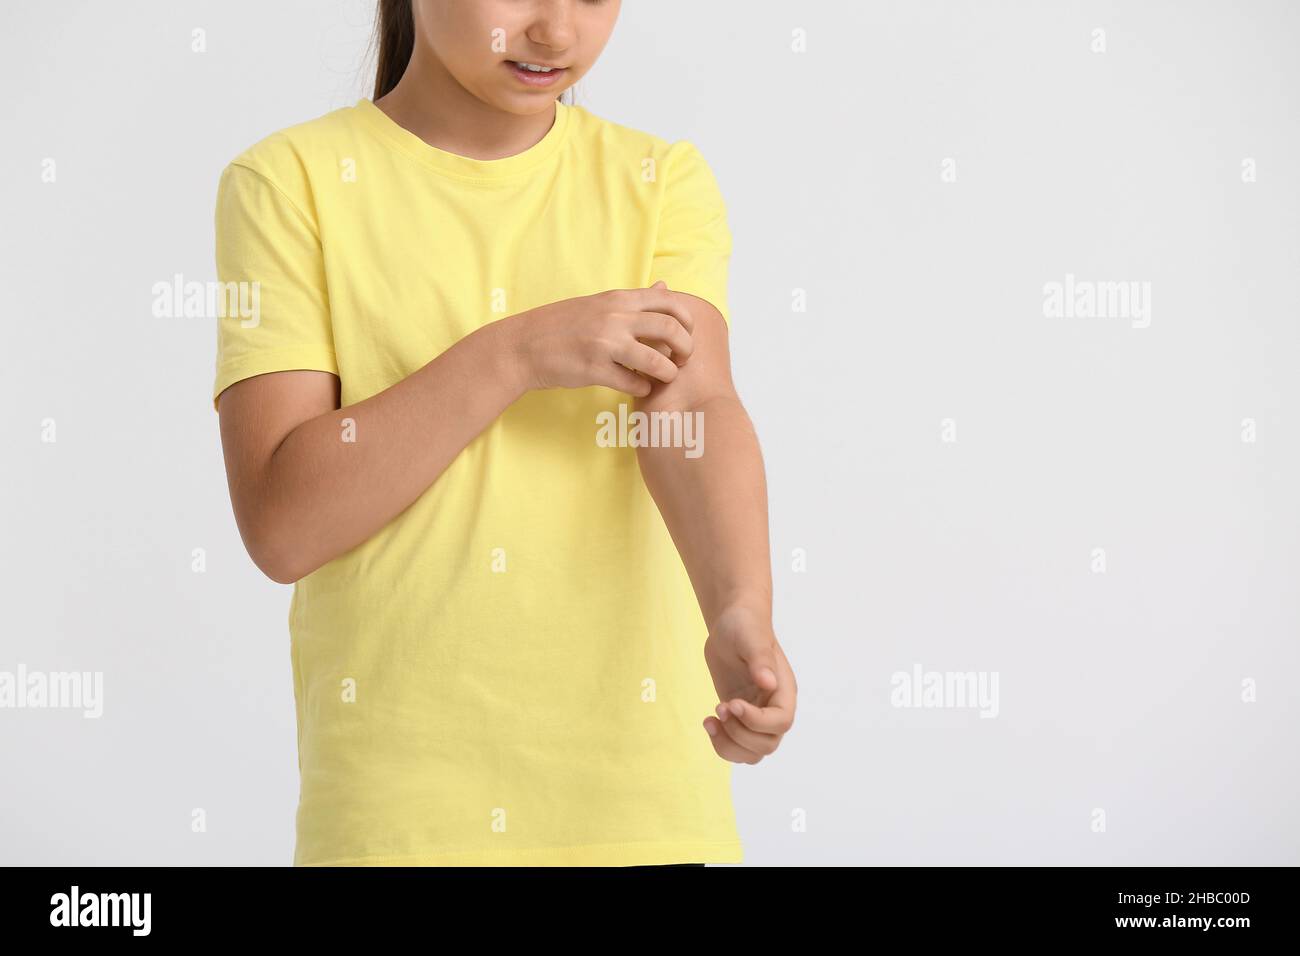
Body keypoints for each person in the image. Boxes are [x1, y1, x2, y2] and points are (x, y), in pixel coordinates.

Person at [212, 0, 797, 867]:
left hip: (636, 797)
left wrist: (740, 607)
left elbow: (694, 409)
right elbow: (283, 523)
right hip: (401, 813)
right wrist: (514, 354)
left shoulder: (658, 180)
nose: (557, 33)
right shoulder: (288, 182)